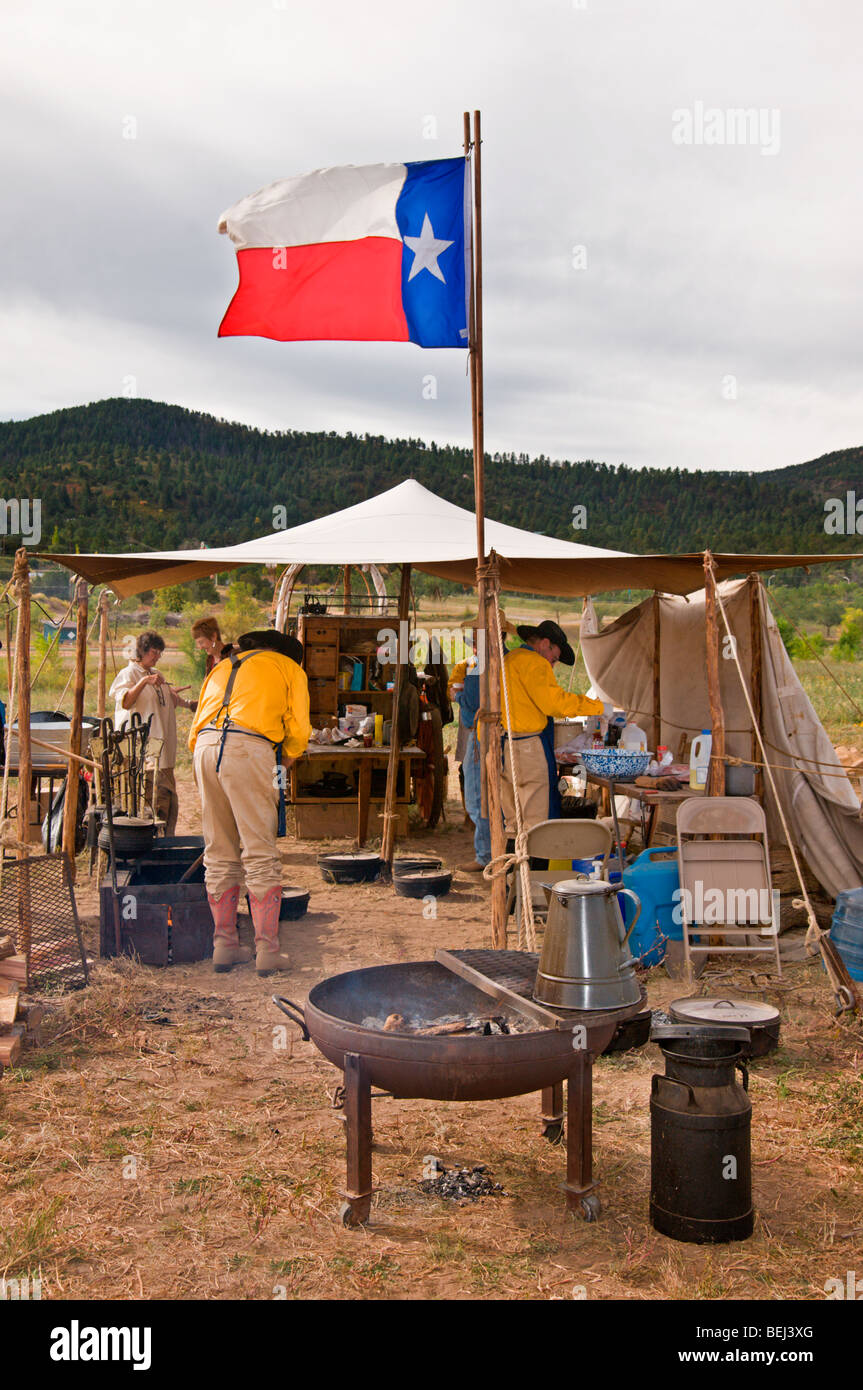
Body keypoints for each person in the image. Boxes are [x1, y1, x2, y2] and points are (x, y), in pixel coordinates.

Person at [189, 629, 310, 977]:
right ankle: (267, 952)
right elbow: (299, 729)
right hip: (248, 747)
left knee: (219, 851)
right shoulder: (288, 669)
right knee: (259, 852)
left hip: (205, 749)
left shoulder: (222, 666)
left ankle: (224, 946)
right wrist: (284, 760)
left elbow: (196, 728)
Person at [501, 619, 610, 838]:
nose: (552, 664)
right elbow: (555, 703)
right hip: (529, 747)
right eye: (555, 657)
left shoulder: (510, 659)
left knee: (514, 819)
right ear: (544, 644)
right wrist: (597, 706)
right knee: (536, 822)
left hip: (507, 745)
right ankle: (534, 871)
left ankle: (513, 870)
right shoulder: (534, 663)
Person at [109, 630, 192, 835]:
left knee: (165, 794)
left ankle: (166, 837)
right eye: (153, 652)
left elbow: (168, 699)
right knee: (151, 795)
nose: (156, 657)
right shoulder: (129, 674)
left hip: (162, 744)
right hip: (142, 749)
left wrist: (188, 703)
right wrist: (144, 682)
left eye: (159, 653)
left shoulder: (154, 673)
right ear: (142, 650)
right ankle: (151, 837)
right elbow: (126, 701)